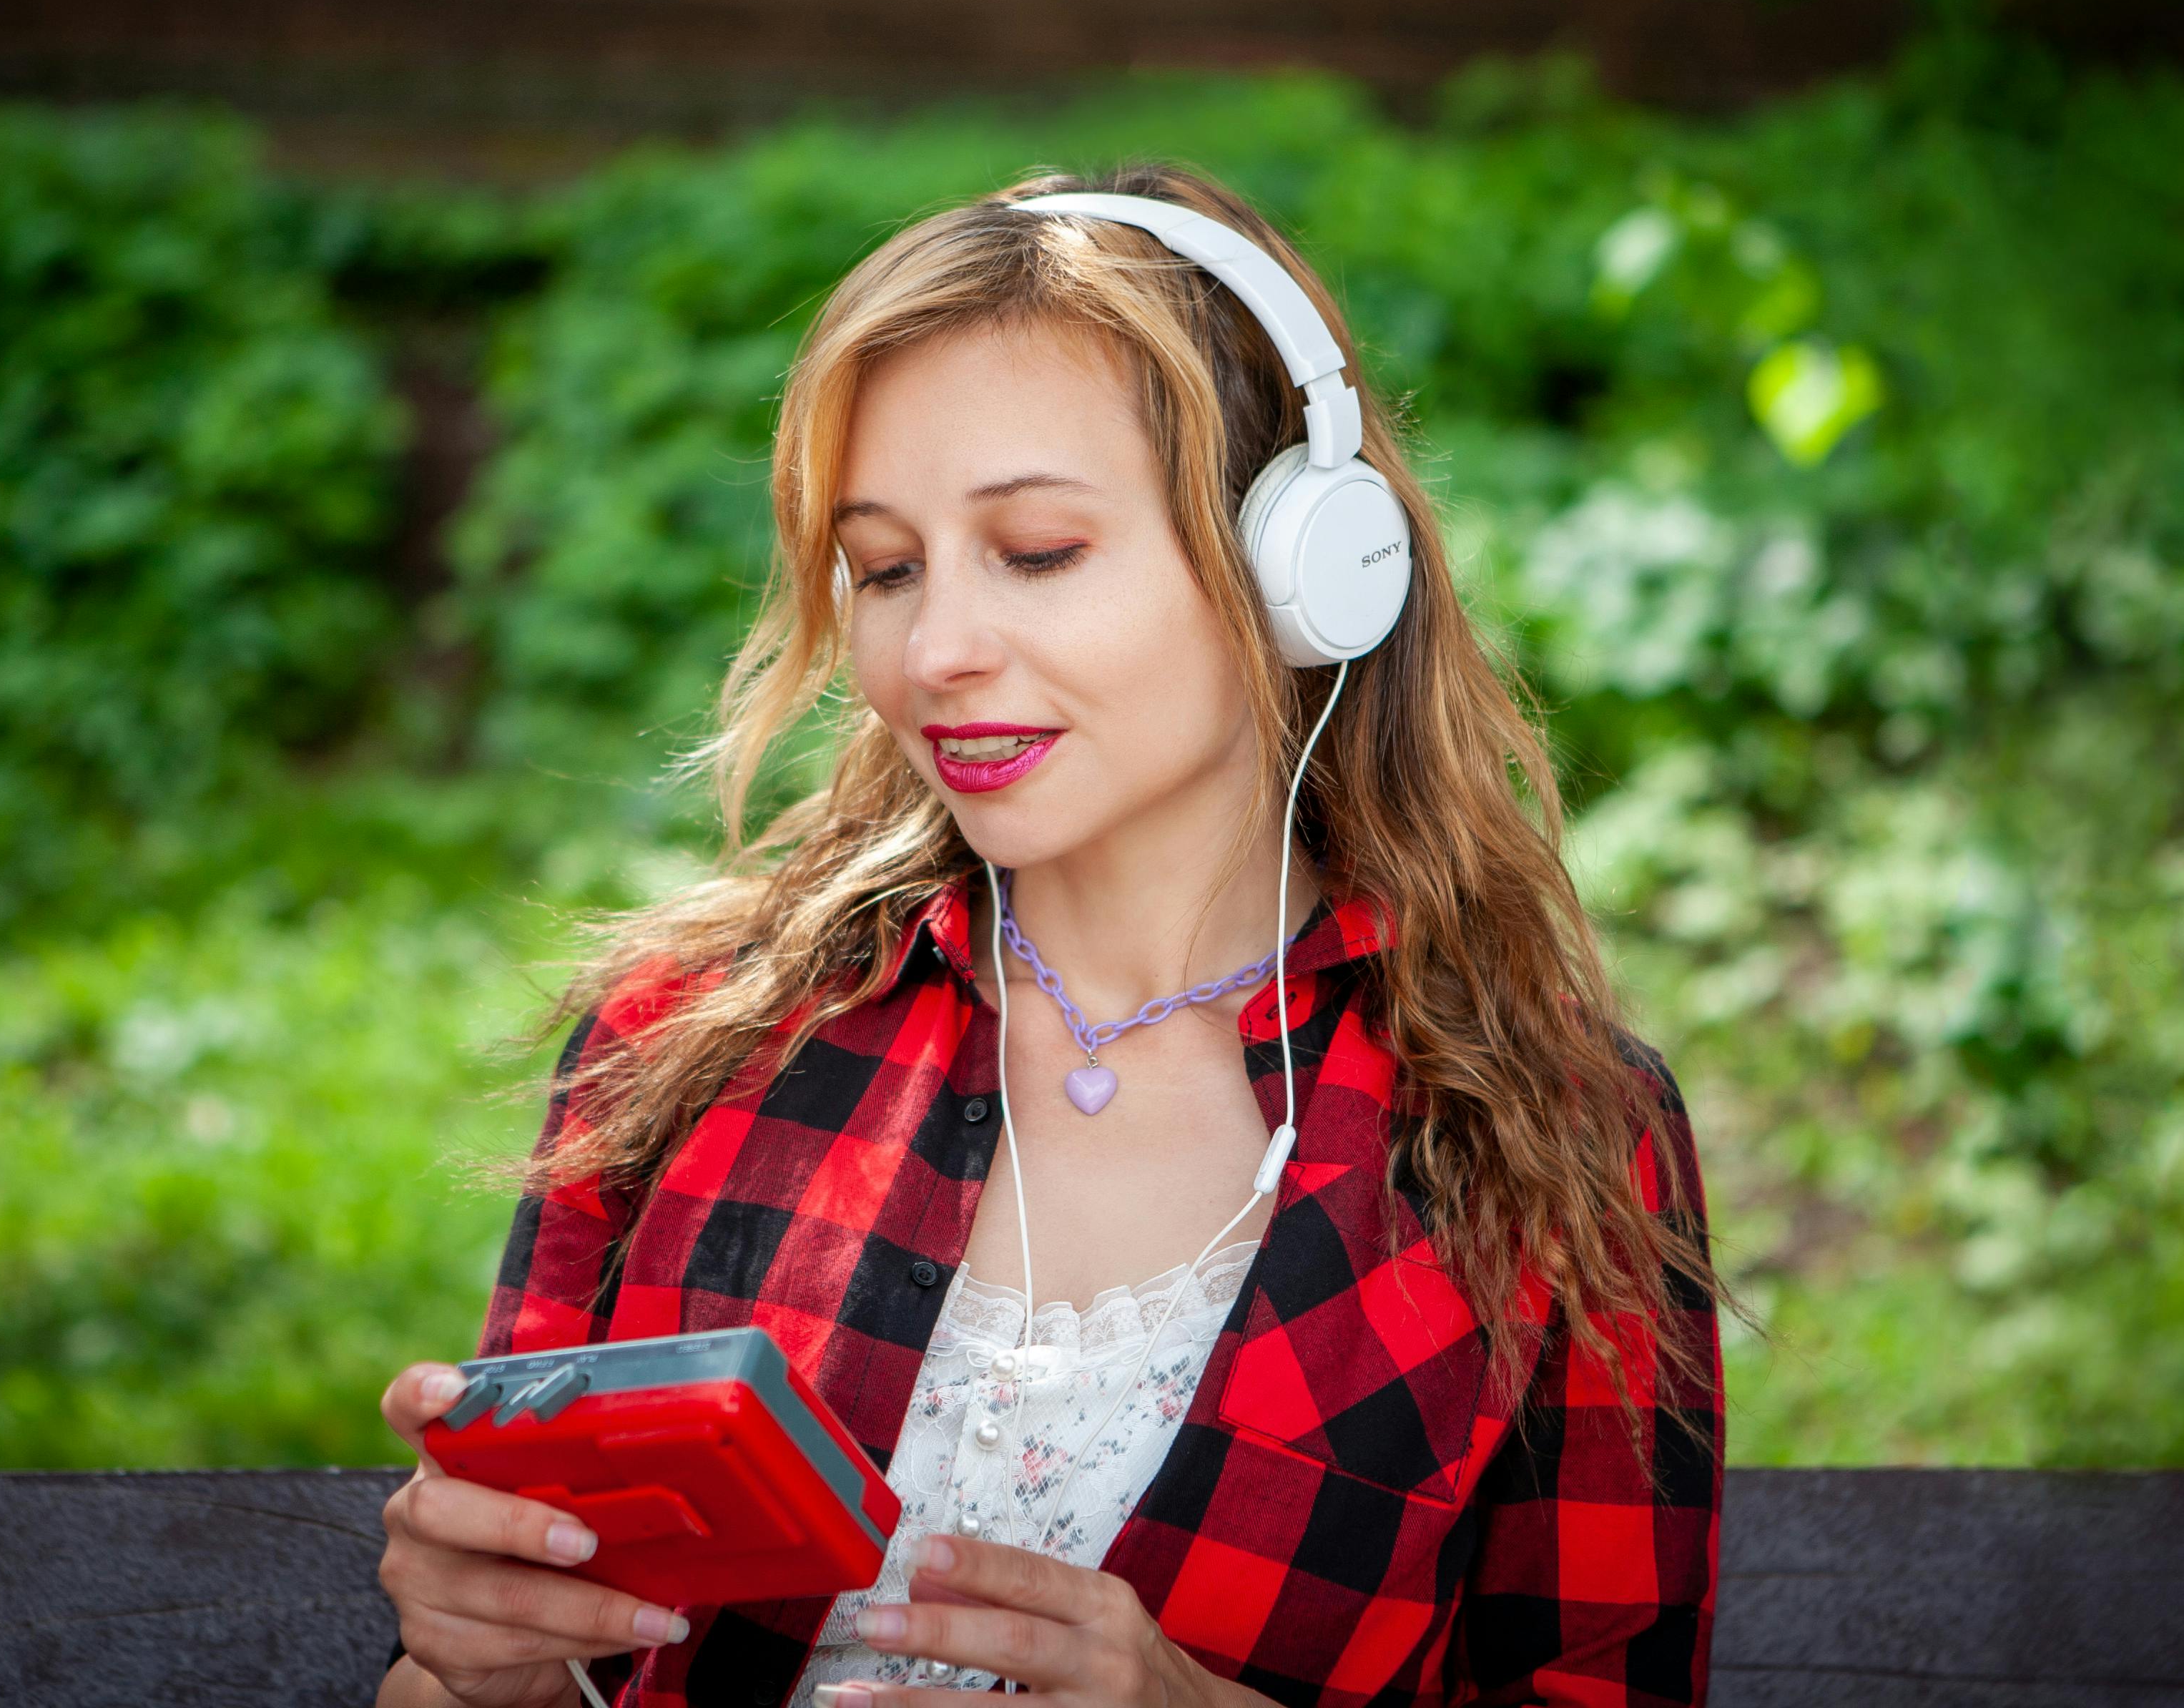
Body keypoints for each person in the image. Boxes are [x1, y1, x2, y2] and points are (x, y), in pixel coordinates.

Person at [370, 167, 1726, 1708]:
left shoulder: (1555, 1137)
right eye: (886, 569)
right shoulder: (683, 1040)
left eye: (1036, 550)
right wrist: (478, 1672)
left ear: (1301, 571)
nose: (935, 651)